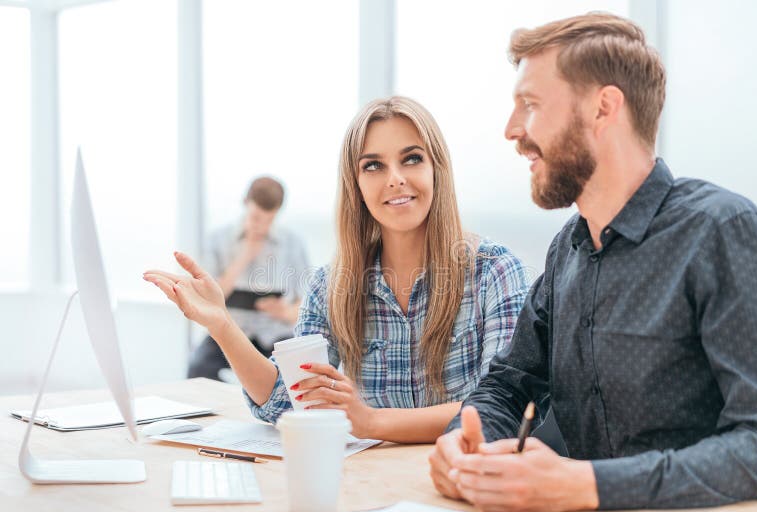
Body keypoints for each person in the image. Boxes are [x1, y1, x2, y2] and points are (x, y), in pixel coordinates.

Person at [429, 12, 757, 512]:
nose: (511, 130)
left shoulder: (722, 230)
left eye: (531, 105)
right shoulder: (568, 251)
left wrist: (583, 485)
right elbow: (508, 383)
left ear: (604, 108)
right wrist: (463, 440)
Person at [144, 96, 531, 443]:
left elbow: (498, 409)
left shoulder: (494, 272)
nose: (395, 177)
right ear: (356, 184)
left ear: (437, 169)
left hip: (463, 488)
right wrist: (222, 325)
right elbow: (286, 403)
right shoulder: (332, 285)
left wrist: (371, 422)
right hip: (372, 489)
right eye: (374, 165)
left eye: (411, 158)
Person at [187, 176, 310, 380]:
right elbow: (205, 299)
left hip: (276, 334)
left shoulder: (293, 243)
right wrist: (245, 255)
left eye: (268, 220)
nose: (261, 226)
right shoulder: (217, 240)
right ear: (246, 204)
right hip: (229, 332)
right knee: (198, 367)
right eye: (255, 217)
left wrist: (285, 311)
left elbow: (306, 304)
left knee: (299, 375)